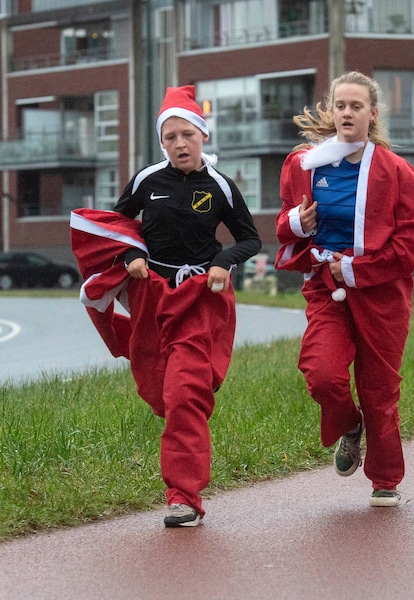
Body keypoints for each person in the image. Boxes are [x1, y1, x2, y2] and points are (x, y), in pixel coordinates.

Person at [70, 85, 262, 527]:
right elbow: (117, 227)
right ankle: (182, 451)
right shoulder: (145, 180)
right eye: (170, 136)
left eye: (187, 134)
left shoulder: (221, 187)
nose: (179, 143)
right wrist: (132, 256)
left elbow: (249, 238)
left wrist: (222, 262)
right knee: (160, 391)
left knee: (184, 394)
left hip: (198, 298)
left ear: (203, 136)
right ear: (162, 142)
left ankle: (183, 496)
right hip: (151, 299)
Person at [275, 71, 414, 507]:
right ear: (331, 110)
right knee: (322, 374)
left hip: (381, 293)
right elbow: (284, 219)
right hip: (326, 288)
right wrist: (295, 224)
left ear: (372, 114)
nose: (347, 112)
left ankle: (385, 479)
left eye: (356, 106)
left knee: (380, 388)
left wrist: (360, 269)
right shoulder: (304, 164)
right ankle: (349, 424)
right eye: (340, 105)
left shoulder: (397, 172)